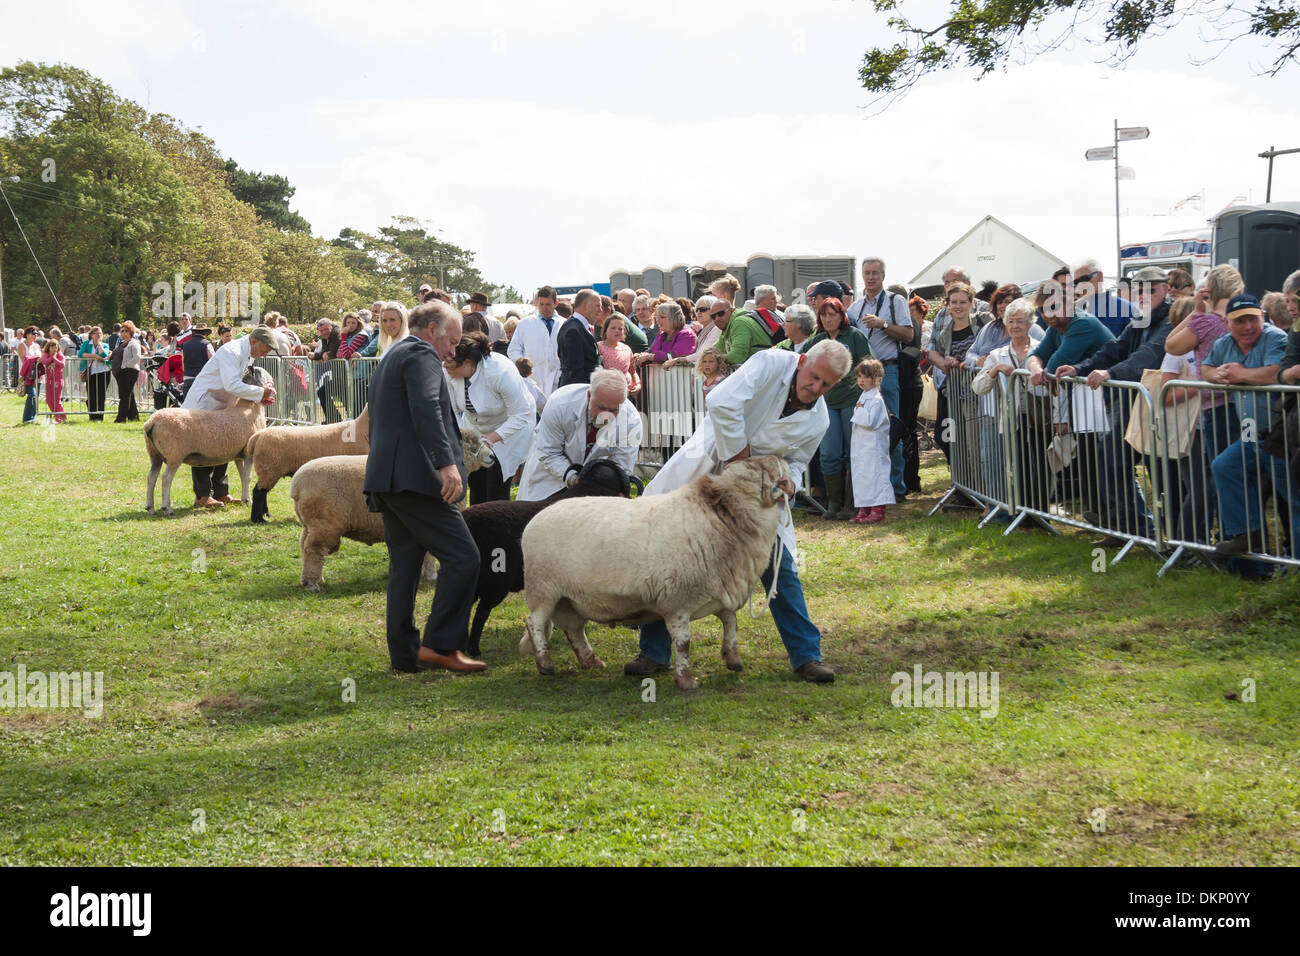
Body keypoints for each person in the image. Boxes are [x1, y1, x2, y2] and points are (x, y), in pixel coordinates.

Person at [623, 341, 849, 684]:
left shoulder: (818, 420)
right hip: (707, 467)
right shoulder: (771, 362)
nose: (815, 388)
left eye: (826, 385)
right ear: (803, 361)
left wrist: (790, 482)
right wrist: (738, 455)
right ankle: (655, 652)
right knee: (672, 555)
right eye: (814, 377)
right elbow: (721, 401)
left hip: (759, 494)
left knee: (778, 566)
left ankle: (806, 656)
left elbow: (799, 460)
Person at [363, 300, 485, 674]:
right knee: (464, 558)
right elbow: (427, 407)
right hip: (417, 480)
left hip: (389, 478)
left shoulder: (393, 354)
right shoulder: (421, 355)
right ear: (432, 330)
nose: (452, 351)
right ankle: (441, 647)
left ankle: (405, 653)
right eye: (451, 341)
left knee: (406, 567)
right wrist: (446, 464)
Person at [1205, 294, 1297, 561]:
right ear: (1227, 324)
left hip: (1280, 437)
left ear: (1263, 317)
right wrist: (1219, 375)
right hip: (1249, 435)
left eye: (1252, 319)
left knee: (1292, 501)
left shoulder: (1276, 338)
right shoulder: (1224, 343)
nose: (1247, 327)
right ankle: (1248, 535)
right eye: (1240, 321)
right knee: (1224, 466)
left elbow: (1276, 372)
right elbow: (1206, 367)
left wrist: (1239, 375)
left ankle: (1294, 565)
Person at [972, 298, 1052, 512]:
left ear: (1030, 324)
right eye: (1011, 321)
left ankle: (1040, 513)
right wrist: (994, 370)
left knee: (1041, 467)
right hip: (1011, 418)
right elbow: (978, 387)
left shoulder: (1042, 349)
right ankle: (1020, 512)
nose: (1015, 326)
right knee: (1017, 466)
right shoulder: (997, 354)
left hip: (1040, 416)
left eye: (1021, 321)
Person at [516, 368, 642, 501]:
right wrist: (576, 481)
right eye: (601, 408)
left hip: (594, 491)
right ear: (589, 396)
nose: (606, 416)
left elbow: (620, 466)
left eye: (613, 410)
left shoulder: (631, 421)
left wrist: (612, 487)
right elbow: (550, 451)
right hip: (548, 480)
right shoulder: (560, 403)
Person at [848, 257, 914, 499]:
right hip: (862, 377)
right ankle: (871, 489)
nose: (871, 277)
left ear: (883, 276)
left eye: (875, 273)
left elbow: (908, 335)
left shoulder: (896, 302)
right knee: (865, 432)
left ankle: (895, 488)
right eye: (867, 273)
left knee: (890, 430)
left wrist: (882, 324)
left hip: (888, 371)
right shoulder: (854, 308)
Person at [444, 331, 536, 504]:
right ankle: (477, 528)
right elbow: (452, 411)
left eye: (449, 363)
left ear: (467, 363)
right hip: (476, 428)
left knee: (496, 489)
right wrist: (461, 439)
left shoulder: (500, 372)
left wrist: (490, 440)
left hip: (508, 429)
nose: (444, 365)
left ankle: (500, 527)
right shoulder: (450, 372)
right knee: (476, 484)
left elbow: (521, 414)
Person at [806, 297, 873, 520]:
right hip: (826, 403)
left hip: (852, 400)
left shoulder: (854, 336)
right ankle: (834, 501)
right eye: (824, 315)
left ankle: (851, 503)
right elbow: (801, 360)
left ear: (841, 316)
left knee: (853, 452)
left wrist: (867, 393)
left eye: (832, 314)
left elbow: (868, 365)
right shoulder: (818, 340)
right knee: (829, 453)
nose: (828, 319)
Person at [849, 358, 893, 524]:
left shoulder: (876, 400)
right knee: (862, 475)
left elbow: (871, 422)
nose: (861, 380)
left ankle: (877, 508)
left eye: (866, 377)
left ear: (876, 378)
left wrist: (859, 411)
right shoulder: (863, 396)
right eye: (859, 376)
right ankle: (864, 507)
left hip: (873, 446)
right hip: (861, 446)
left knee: (875, 475)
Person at [507, 285, 563, 396]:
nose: (544, 308)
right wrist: (523, 366)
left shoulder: (564, 324)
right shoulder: (525, 324)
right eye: (541, 304)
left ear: (555, 304)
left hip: (558, 381)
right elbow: (513, 350)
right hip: (532, 380)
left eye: (548, 304)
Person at [1073, 257, 1141, 337]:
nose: (1080, 285)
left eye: (1084, 279)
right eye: (1076, 282)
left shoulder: (1126, 308)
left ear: (1100, 276)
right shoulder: (1073, 311)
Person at [556, 288, 600, 388]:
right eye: (597, 306)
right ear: (586, 306)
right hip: (577, 393)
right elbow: (575, 371)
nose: (600, 310)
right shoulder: (573, 330)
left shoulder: (578, 327)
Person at [635, 301, 697, 368]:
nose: (657, 320)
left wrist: (650, 357)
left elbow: (675, 357)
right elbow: (651, 352)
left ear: (674, 318)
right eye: (656, 317)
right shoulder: (662, 335)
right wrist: (640, 356)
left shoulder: (687, 335)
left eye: (662, 317)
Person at [596, 313, 641, 397]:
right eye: (613, 328)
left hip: (626, 395)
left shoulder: (627, 349)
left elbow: (632, 371)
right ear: (605, 331)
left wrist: (638, 385)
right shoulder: (598, 347)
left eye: (620, 329)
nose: (617, 330)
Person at [111, 321, 144, 422]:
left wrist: (125, 365)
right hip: (120, 373)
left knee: (124, 396)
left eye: (126, 330)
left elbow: (137, 357)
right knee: (129, 395)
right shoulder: (121, 344)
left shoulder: (134, 343)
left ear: (131, 332)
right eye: (122, 331)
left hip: (129, 372)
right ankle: (134, 417)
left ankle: (120, 419)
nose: (123, 333)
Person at [78, 326, 112, 421]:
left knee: (101, 395)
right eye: (97, 333)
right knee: (91, 395)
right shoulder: (86, 343)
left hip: (103, 372)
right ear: (92, 335)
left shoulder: (105, 344)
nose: (99, 335)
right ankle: (92, 416)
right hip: (91, 372)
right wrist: (94, 356)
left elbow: (104, 355)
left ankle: (100, 417)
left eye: (101, 333)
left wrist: (99, 344)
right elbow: (80, 354)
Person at [17, 327, 41, 424]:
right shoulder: (21, 345)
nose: (35, 335)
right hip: (27, 375)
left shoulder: (37, 346)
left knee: (36, 396)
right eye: (33, 333)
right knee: (32, 395)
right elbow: (24, 360)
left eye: (36, 334)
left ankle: (32, 418)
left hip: (37, 375)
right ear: (27, 334)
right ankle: (27, 418)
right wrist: (36, 359)